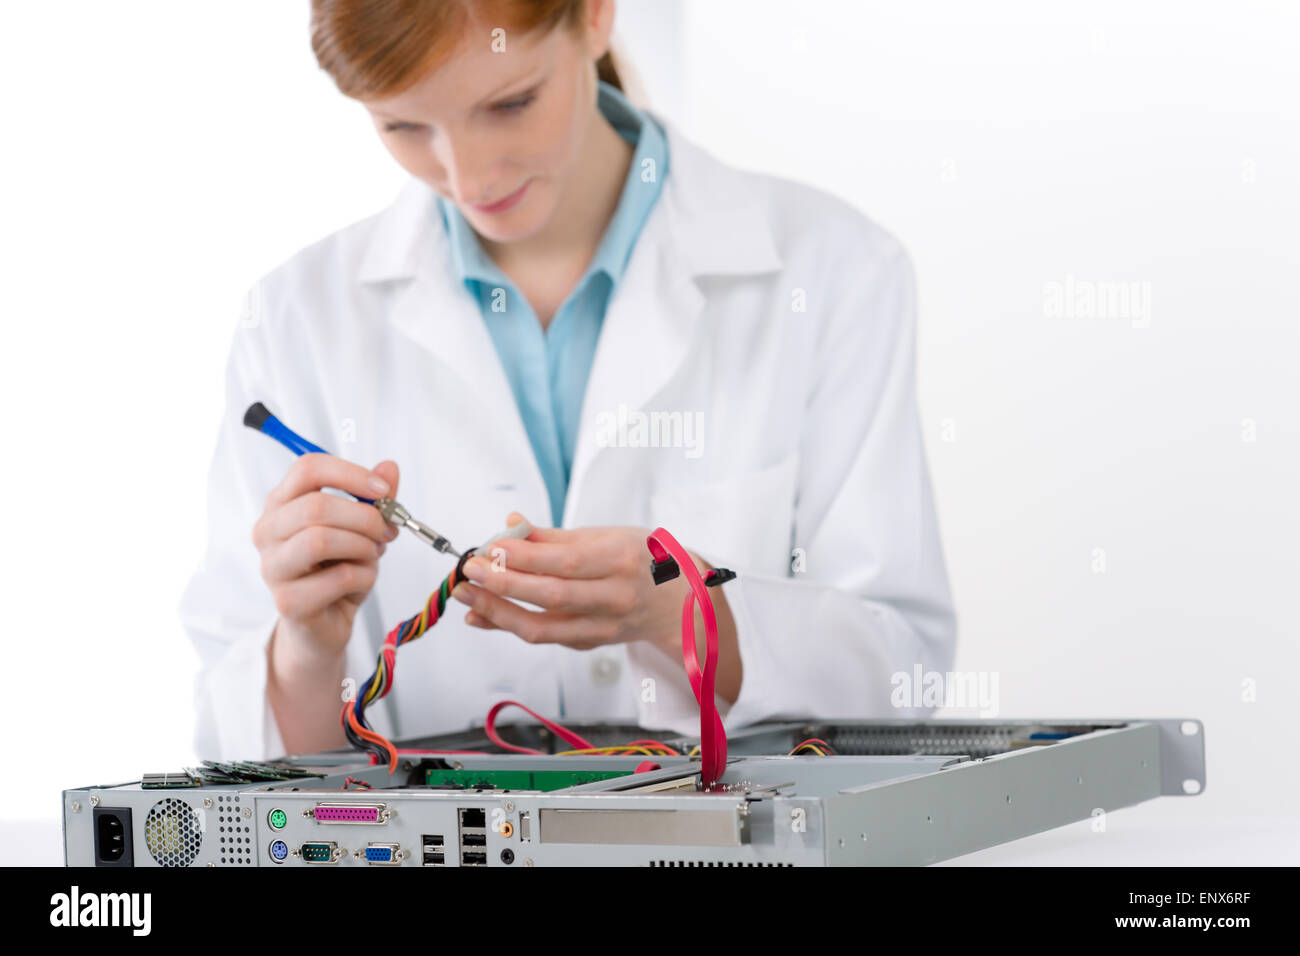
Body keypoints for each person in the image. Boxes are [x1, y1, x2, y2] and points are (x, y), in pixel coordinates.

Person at [179, 0, 957, 760]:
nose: (468, 175)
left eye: (511, 103)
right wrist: (308, 648)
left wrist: (683, 612)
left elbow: (903, 674)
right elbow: (241, 761)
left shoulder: (835, 270)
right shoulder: (296, 321)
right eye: (404, 126)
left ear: (593, 14)